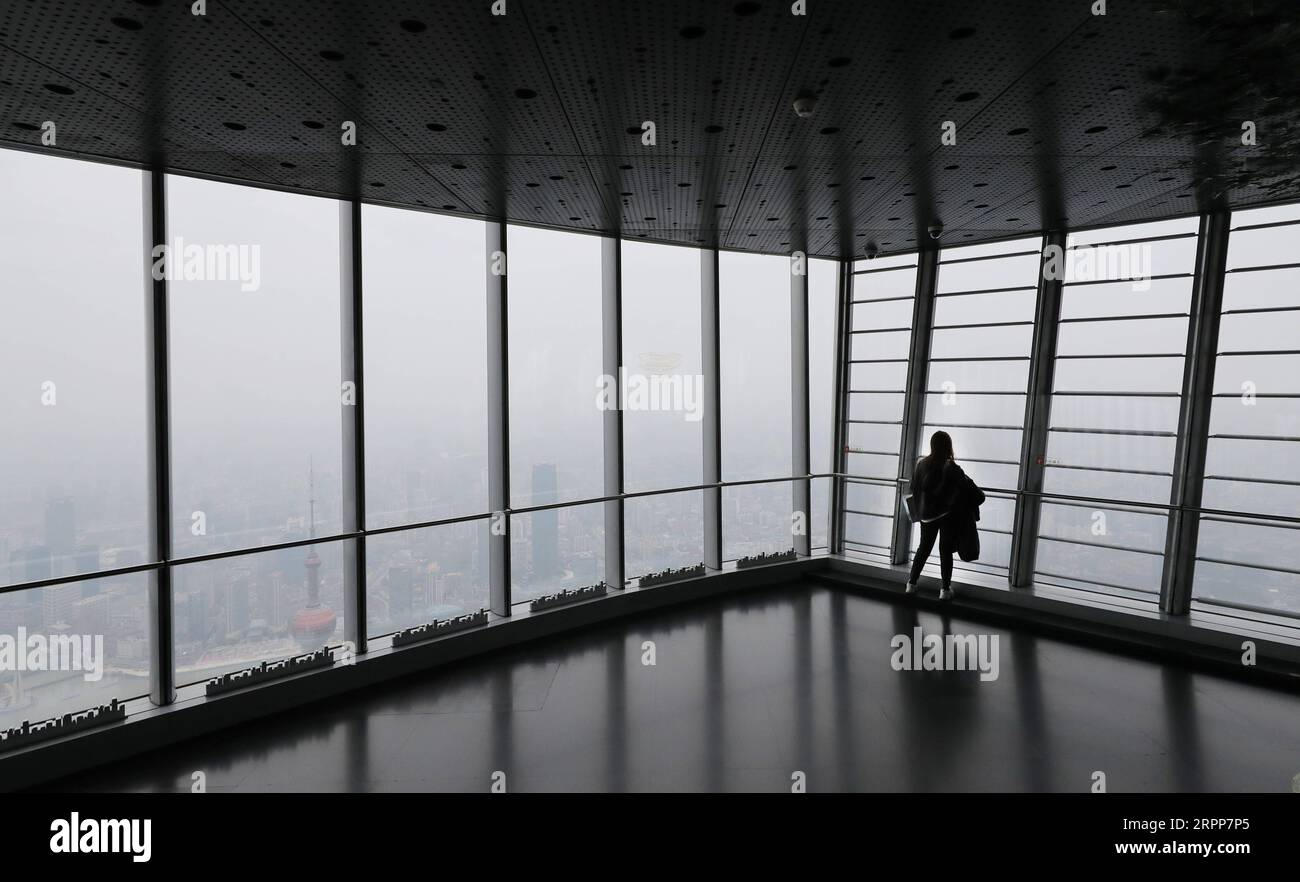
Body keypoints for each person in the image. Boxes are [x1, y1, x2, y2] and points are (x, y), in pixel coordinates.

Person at [905, 430, 983, 601]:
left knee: (923, 548)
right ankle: (945, 590)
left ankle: (911, 584)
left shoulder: (922, 464)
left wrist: (920, 510)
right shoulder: (953, 468)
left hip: (926, 515)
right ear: (948, 446)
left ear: (932, 445)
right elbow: (969, 490)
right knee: (945, 551)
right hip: (947, 515)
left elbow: (914, 488)